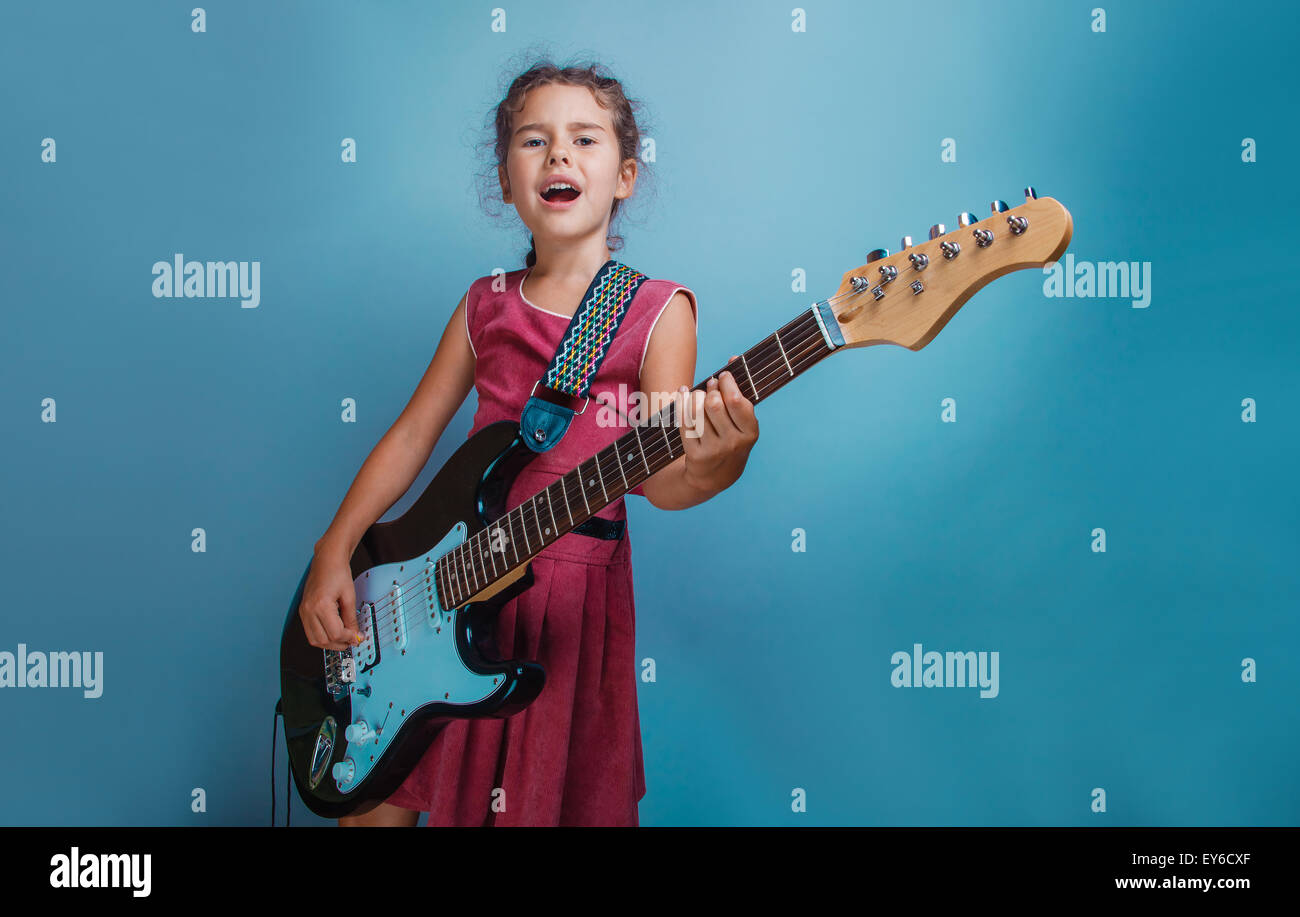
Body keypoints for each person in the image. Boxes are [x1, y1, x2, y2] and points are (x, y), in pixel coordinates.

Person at [297, 59, 758, 826]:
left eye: (585, 139)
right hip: (445, 583)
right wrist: (332, 552)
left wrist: (721, 461)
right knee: (377, 799)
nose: (559, 156)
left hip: (568, 609)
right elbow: (414, 433)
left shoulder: (657, 311)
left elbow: (664, 480)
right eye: (533, 141)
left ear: (626, 177)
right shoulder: (485, 305)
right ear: (508, 183)